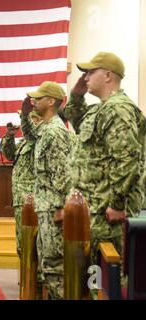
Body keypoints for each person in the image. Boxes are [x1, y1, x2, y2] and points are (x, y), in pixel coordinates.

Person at [63, 52, 146, 287]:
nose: (85, 76)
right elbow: (79, 123)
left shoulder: (118, 109)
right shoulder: (102, 108)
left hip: (107, 213)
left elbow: (127, 159)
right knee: (93, 279)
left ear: (108, 75)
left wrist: (117, 203)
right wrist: (77, 95)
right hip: (94, 210)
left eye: (91, 72)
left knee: (105, 282)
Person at [24, 81, 73, 299]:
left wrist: (61, 207)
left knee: (54, 267)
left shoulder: (55, 132)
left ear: (51, 101)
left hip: (54, 209)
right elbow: (31, 136)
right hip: (46, 206)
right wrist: (25, 115)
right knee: (48, 265)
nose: (34, 101)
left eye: (39, 98)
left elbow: (61, 173)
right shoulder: (47, 129)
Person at [0, 112, 43, 258]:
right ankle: (27, 277)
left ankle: (35, 278)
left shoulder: (40, 139)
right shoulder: (25, 142)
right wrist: (10, 136)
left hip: (33, 199)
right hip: (21, 198)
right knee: (22, 242)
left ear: (36, 120)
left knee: (32, 242)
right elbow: (9, 154)